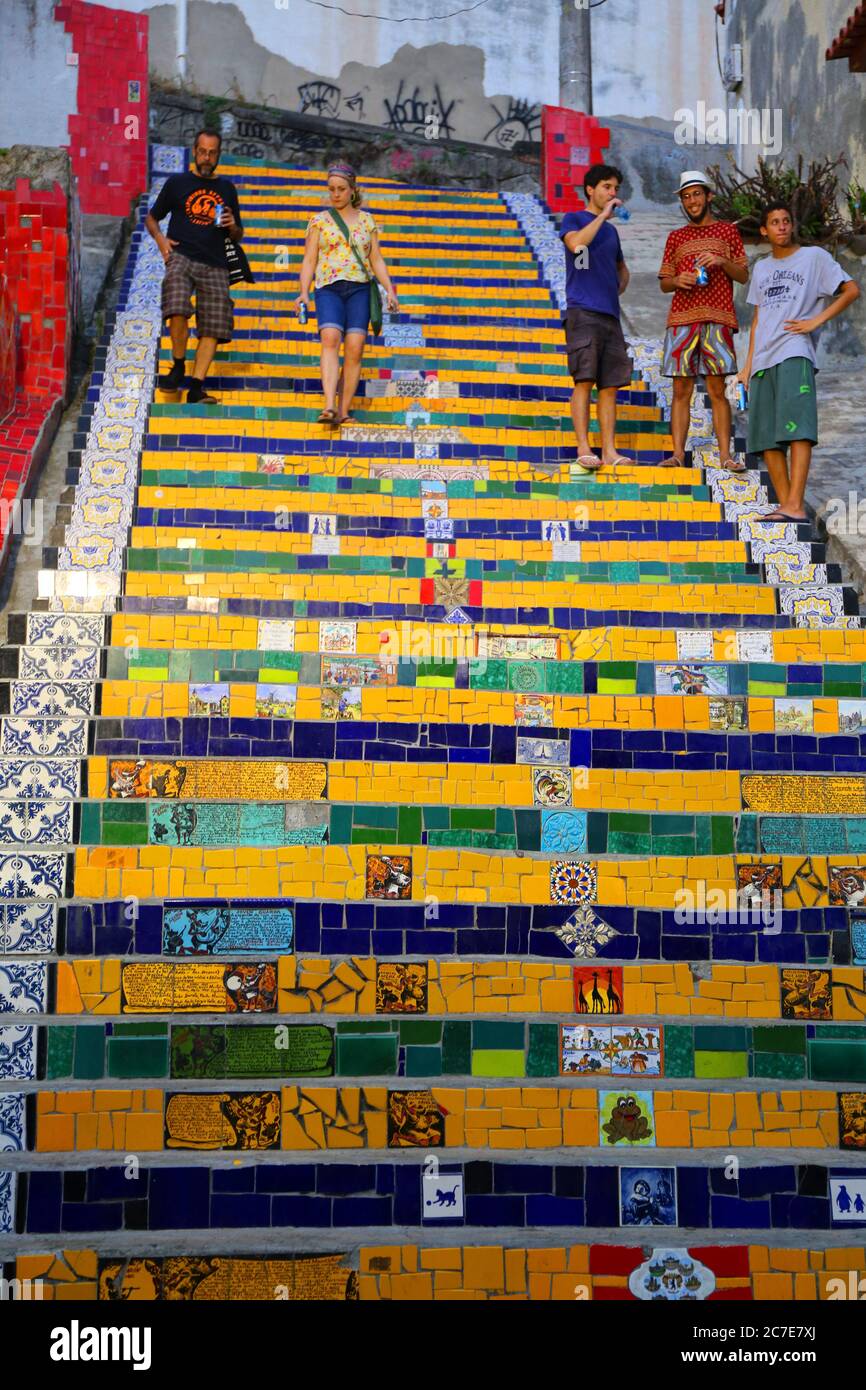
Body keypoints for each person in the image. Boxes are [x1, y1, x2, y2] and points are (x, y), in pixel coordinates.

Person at [737, 203, 860, 521]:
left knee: (798, 430)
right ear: (764, 230)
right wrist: (747, 366)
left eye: (786, 221)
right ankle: (788, 506)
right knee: (766, 438)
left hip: (794, 352)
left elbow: (851, 290)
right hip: (764, 358)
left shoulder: (813, 257)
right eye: (774, 223)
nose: (781, 227)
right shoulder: (762, 268)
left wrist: (814, 322)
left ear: (792, 226)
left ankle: (795, 504)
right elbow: (760, 317)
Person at [658, 170, 749, 469]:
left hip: (718, 318)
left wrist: (722, 261)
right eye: (686, 196)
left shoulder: (728, 232)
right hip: (682, 319)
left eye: (696, 194)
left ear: (709, 196)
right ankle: (677, 455)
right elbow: (664, 283)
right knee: (680, 391)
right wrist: (678, 279)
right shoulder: (676, 237)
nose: (691, 201)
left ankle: (725, 456)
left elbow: (743, 274)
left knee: (717, 390)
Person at [297, 162, 399, 426]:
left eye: (341, 189)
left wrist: (389, 289)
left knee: (355, 348)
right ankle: (329, 405)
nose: (336, 194)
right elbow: (309, 259)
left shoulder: (367, 221)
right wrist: (303, 292)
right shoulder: (319, 221)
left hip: (360, 289)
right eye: (331, 189)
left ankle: (344, 410)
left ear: (353, 190)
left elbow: (376, 258)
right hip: (328, 287)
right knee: (330, 337)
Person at [145, 130, 243, 405]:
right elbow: (152, 218)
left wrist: (232, 226)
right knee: (176, 305)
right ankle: (178, 365)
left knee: (213, 326)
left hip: (216, 263)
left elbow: (238, 235)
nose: (207, 157)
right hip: (182, 255)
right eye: (202, 151)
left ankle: (196, 386)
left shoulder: (227, 189)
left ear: (218, 155)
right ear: (194, 151)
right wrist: (162, 241)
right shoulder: (178, 183)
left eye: (212, 152)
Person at [560, 163, 633, 470]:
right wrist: (602, 216)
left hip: (610, 315)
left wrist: (615, 287)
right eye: (606, 186)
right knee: (585, 380)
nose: (612, 193)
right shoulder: (574, 219)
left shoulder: (612, 232)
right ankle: (583, 446)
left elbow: (621, 269)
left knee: (610, 387)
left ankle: (610, 451)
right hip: (583, 312)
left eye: (615, 188)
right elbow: (577, 245)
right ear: (590, 189)